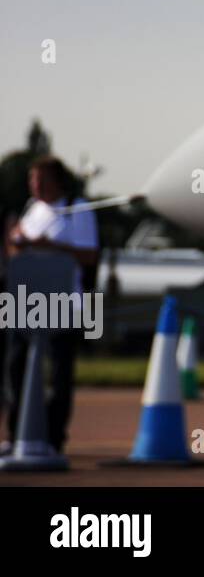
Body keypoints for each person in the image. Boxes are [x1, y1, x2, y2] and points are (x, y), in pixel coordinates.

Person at [3, 156, 98, 455]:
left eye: (41, 179)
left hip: (62, 301)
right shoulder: (33, 209)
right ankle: (19, 433)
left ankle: (54, 438)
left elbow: (89, 256)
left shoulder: (76, 209)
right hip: (24, 300)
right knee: (15, 368)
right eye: (33, 179)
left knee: (58, 372)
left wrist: (50, 247)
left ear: (59, 181)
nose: (36, 185)